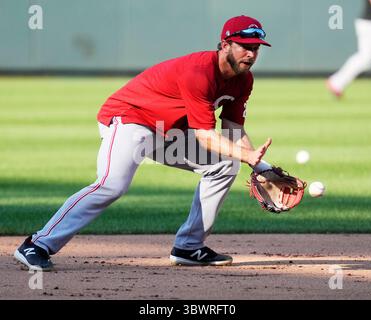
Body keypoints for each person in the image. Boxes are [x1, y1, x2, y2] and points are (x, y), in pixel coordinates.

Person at [14, 15, 275, 270]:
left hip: (167, 131)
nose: (251, 54)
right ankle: (36, 245)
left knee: (224, 165)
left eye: (255, 49)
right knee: (111, 184)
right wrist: (251, 158)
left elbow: (233, 129)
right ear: (225, 44)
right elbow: (205, 135)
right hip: (130, 120)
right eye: (245, 47)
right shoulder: (199, 71)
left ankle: (189, 247)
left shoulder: (243, 80)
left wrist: (263, 167)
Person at [327, 0, 371, 97]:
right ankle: (336, 82)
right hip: (370, 24)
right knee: (366, 58)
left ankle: (336, 82)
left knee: (366, 58)